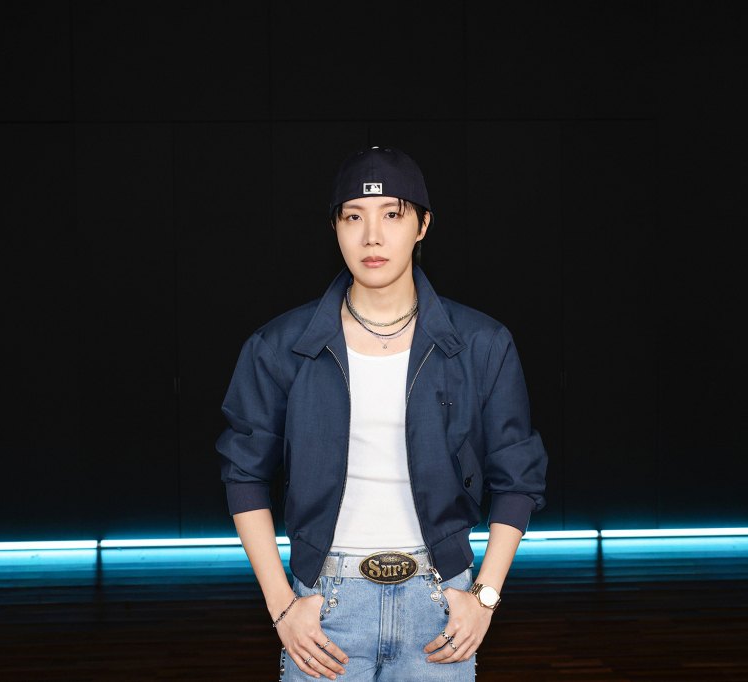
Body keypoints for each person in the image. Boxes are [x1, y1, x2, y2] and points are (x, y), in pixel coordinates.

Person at [217, 146, 548, 681]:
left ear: (423, 225)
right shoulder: (279, 346)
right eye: (353, 217)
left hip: (439, 607)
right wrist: (282, 606)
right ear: (335, 227)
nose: (372, 236)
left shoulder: (482, 343)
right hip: (324, 609)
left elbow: (519, 476)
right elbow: (243, 474)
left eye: (392, 214)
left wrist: (483, 598)